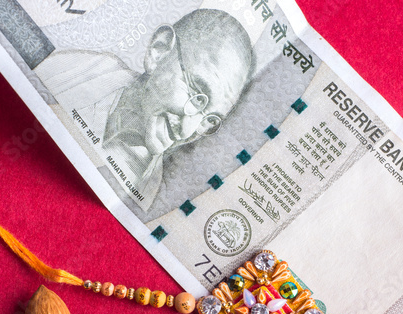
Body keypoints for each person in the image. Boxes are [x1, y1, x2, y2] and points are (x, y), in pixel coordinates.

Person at [36, 9, 255, 207]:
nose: (188, 130)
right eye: (197, 96)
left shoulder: (147, 198)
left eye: (210, 119)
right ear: (158, 52)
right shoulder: (69, 71)